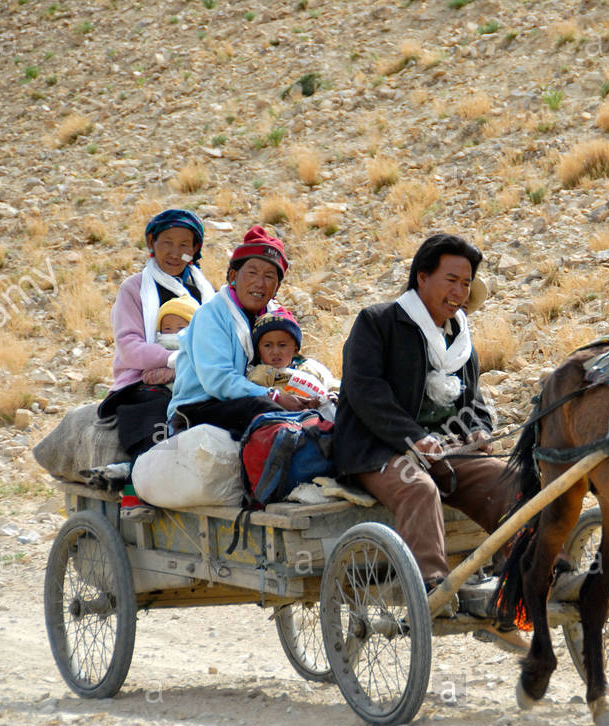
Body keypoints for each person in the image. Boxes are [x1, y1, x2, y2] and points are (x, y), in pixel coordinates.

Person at [333, 233, 515, 616]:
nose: (461, 291)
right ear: (422, 278)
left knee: (508, 479)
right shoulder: (377, 322)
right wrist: (414, 438)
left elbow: (474, 400)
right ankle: (434, 587)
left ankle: (525, 571)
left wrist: (479, 428)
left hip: (444, 450)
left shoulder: (461, 340)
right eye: (452, 280)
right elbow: (366, 393)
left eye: (466, 283)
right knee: (418, 489)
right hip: (377, 450)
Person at [99, 209, 217, 517]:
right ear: (152, 243)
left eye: (185, 244)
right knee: (156, 412)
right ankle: (135, 490)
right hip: (142, 381)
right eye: (167, 243)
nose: (176, 253)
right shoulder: (134, 289)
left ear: (196, 250)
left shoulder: (206, 292)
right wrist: (177, 359)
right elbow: (130, 350)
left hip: (196, 376)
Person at [167, 225, 314, 438]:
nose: (259, 283)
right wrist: (273, 395)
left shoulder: (276, 318)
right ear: (233, 276)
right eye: (252, 272)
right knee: (265, 411)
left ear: (278, 286)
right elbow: (218, 380)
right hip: (198, 408)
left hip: (248, 400)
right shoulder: (212, 315)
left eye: (269, 276)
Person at [245, 306, 340, 418]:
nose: (275, 352)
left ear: (295, 349)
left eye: (282, 345)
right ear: (259, 351)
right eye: (267, 346)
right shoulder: (260, 374)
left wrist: (333, 396)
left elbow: (334, 386)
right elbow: (258, 398)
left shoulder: (311, 367)